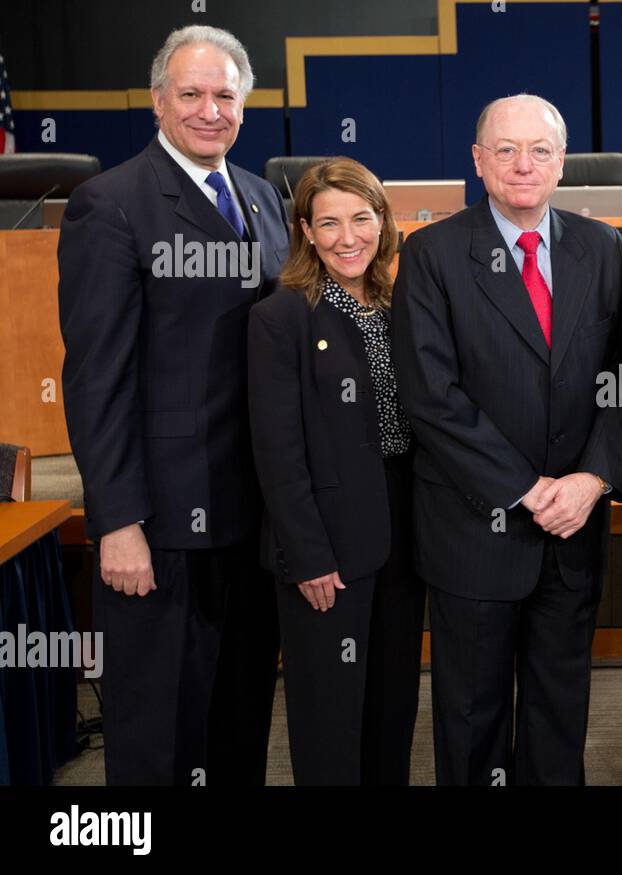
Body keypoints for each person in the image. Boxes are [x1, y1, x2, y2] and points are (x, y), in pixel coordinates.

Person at [57, 25, 287, 785]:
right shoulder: (109, 204)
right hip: (159, 524)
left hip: (252, 519)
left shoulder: (263, 196)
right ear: (158, 102)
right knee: (158, 730)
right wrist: (117, 522)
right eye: (191, 94)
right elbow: (97, 378)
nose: (210, 110)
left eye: (225, 95)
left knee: (239, 715)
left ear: (245, 106)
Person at [390, 94, 622, 785]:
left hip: (574, 530)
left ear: (562, 163)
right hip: (475, 528)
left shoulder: (602, 248)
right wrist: (526, 490)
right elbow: (431, 399)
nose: (523, 164)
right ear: (477, 160)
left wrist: (592, 479)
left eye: (540, 150)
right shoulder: (433, 252)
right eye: (505, 149)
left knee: (561, 718)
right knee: (473, 722)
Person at [247, 157, 423, 785]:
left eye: (361, 218)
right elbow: (277, 450)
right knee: (330, 717)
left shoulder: (401, 302)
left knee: (392, 705)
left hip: (403, 530)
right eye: (328, 223)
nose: (348, 237)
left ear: (383, 220)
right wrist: (308, 555)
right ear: (304, 231)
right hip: (328, 543)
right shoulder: (282, 316)